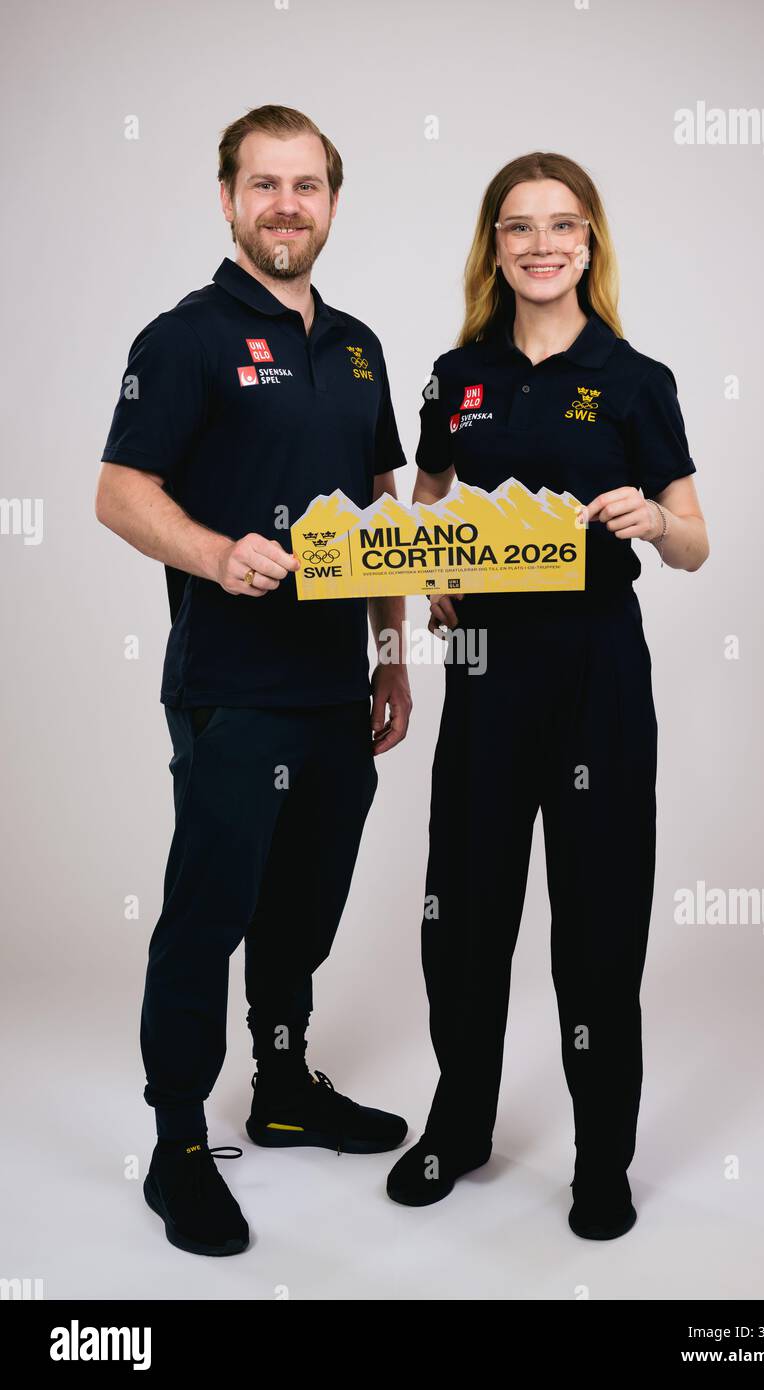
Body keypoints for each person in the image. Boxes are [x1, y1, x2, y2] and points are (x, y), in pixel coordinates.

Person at [96, 105, 413, 1257]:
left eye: (307, 186)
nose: (287, 205)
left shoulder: (361, 343)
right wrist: (215, 554)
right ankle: (178, 1139)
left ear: (332, 201)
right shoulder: (182, 337)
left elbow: (382, 507)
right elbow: (120, 491)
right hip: (231, 685)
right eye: (264, 184)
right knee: (206, 916)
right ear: (227, 197)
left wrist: (388, 652)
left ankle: (280, 1083)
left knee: (303, 903)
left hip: (336, 687)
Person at [386, 151, 709, 1239]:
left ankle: (600, 1161)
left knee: (597, 921)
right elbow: (422, 506)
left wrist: (654, 521)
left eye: (560, 225)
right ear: (493, 245)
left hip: (595, 673)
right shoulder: (451, 374)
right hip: (484, 673)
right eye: (516, 227)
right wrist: (431, 572)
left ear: (589, 241)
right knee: (463, 915)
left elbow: (697, 543)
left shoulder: (633, 379)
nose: (538, 245)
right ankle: (458, 1126)